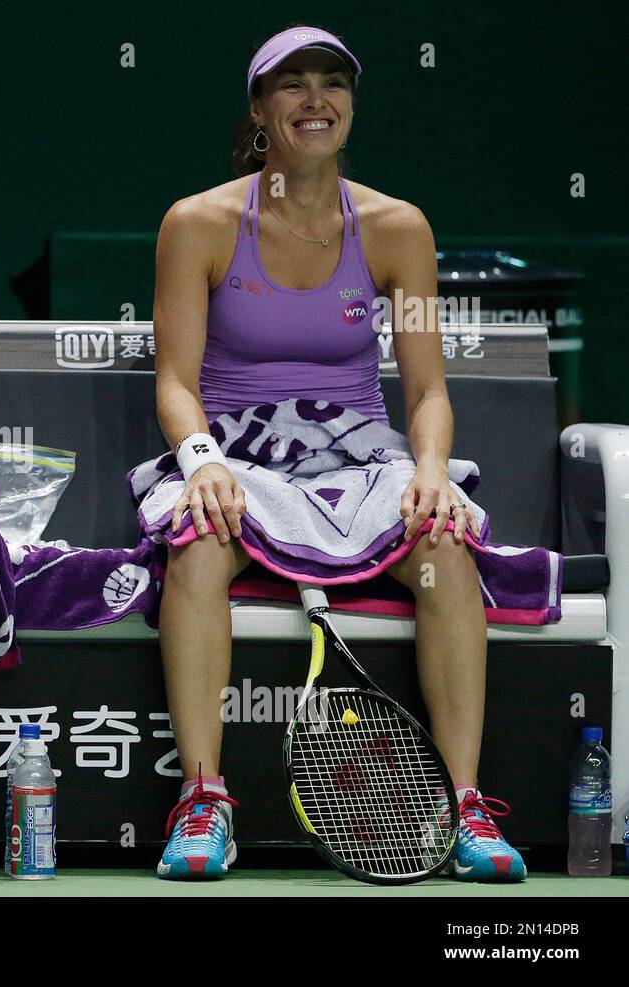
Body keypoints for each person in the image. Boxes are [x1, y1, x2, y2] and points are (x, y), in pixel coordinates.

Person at [151, 25, 525, 881]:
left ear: (351, 106)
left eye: (332, 84)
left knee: (443, 546)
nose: (314, 100)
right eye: (292, 85)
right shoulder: (198, 224)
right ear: (258, 110)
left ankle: (464, 803)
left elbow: (427, 390)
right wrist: (202, 459)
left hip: (357, 455)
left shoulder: (401, 230)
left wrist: (430, 469)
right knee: (200, 543)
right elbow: (175, 380)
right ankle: (202, 797)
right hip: (235, 450)